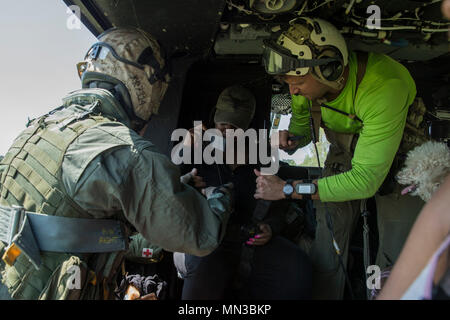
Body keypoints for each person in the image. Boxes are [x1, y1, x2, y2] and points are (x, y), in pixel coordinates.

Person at [0, 28, 233, 300]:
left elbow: (75, 212)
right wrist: (221, 197)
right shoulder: (126, 149)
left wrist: (173, 188)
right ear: (143, 82)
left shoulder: (39, 128)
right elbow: (202, 235)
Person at [256, 17, 426, 299]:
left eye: (297, 82)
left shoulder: (384, 86)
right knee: (328, 239)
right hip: (344, 153)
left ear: (328, 69)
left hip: (401, 160)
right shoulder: (300, 85)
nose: (292, 91)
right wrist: (294, 138)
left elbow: (366, 181)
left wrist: (287, 189)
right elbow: (303, 127)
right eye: (287, 82)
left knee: (400, 250)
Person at [173, 85, 312, 300]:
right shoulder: (195, 152)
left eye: (234, 127)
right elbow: (166, 192)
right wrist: (185, 166)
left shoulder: (263, 158)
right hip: (208, 239)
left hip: (250, 239)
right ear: (213, 121)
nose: (227, 131)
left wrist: (271, 228)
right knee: (201, 271)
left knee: (297, 268)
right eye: (222, 125)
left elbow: (281, 208)